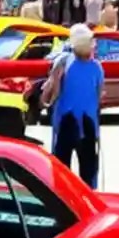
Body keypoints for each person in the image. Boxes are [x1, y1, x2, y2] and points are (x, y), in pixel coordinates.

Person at [42, 24, 104, 189]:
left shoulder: (63, 62)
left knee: (61, 171)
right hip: (88, 123)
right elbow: (98, 95)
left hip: (65, 121)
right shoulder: (97, 67)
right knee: (88, 171)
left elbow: (51, 93)